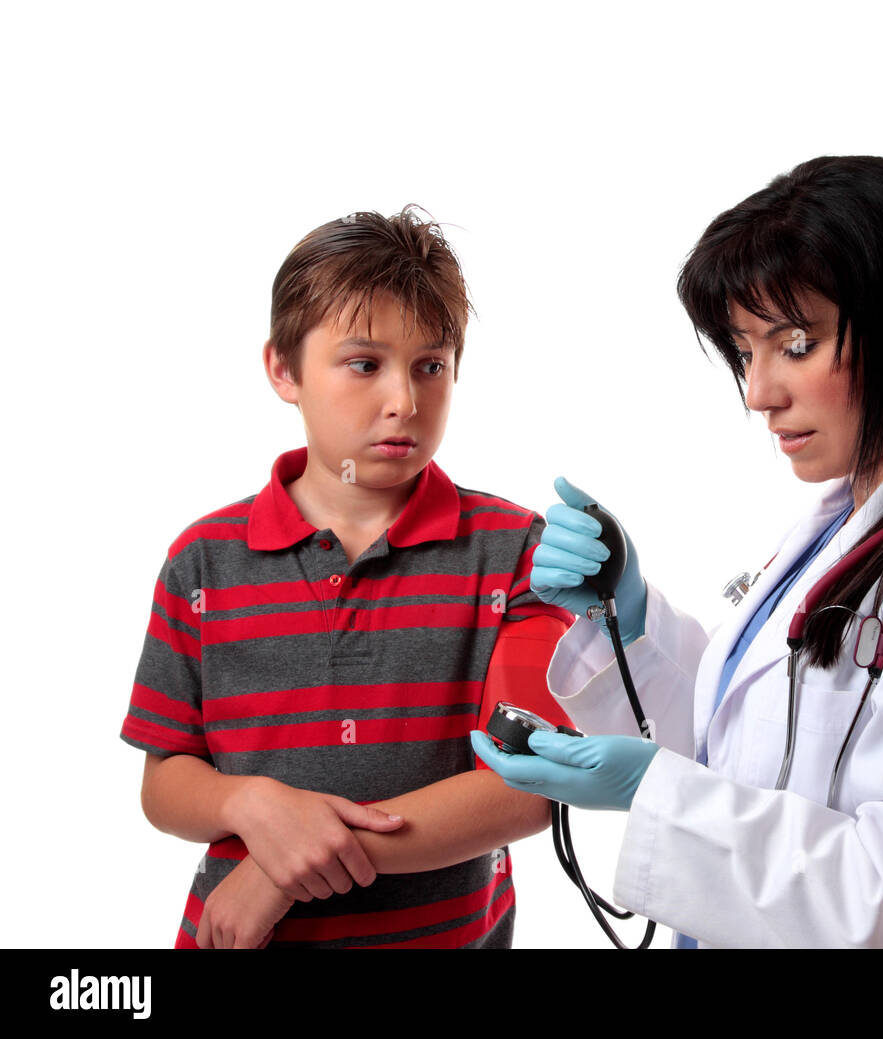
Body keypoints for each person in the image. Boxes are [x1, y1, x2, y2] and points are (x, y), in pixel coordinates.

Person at [471, 156, 883, 948]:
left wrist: (657, 795)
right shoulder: (844, 523)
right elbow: (752, 768)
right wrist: (627, 630)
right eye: (747, 351)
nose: (758, 392)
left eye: (797, 343)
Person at [121, 205, 574, 948]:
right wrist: (254, 803)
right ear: (282, 369)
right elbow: (166, 780)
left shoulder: (514, 550)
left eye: (431, 365)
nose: (405, 400)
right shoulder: (202, 559)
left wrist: (284, 867)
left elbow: (524, 786)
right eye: (364, 364)